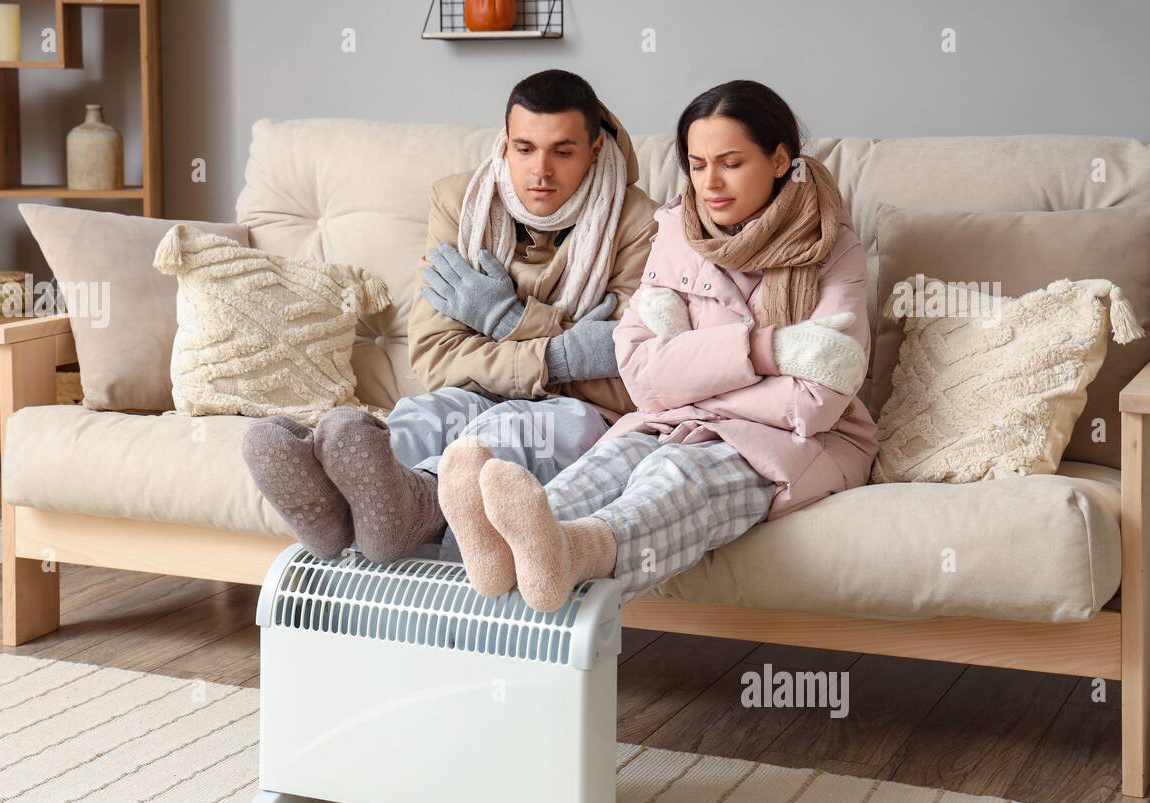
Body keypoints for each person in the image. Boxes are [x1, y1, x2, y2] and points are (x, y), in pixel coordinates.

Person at [438, 79, 880, 610]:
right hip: (670, 423)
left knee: (675, 474)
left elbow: (815, 400)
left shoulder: (833, 248)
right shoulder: (675, 233)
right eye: (696, 165)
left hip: (790, 445)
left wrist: (693, 383)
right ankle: (496, 545)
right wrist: (767, 351)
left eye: (731, 163)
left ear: (780, 159)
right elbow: (643, 377)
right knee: (612, 463)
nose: (710, 183)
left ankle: (573, 552)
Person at [242, 69, 658, 563]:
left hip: (580, 415)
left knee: (507, 433)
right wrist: (566, 353)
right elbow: (436, 358)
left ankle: (400, 510)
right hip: (471, 392)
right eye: (524, 149)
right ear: (504, 144)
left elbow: (630, 375)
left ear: (594, 149)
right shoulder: (462, 204)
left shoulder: (640, 223)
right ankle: (335, 499)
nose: (540, 171)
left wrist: (504, 319)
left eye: (562, 151)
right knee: (425, 414)